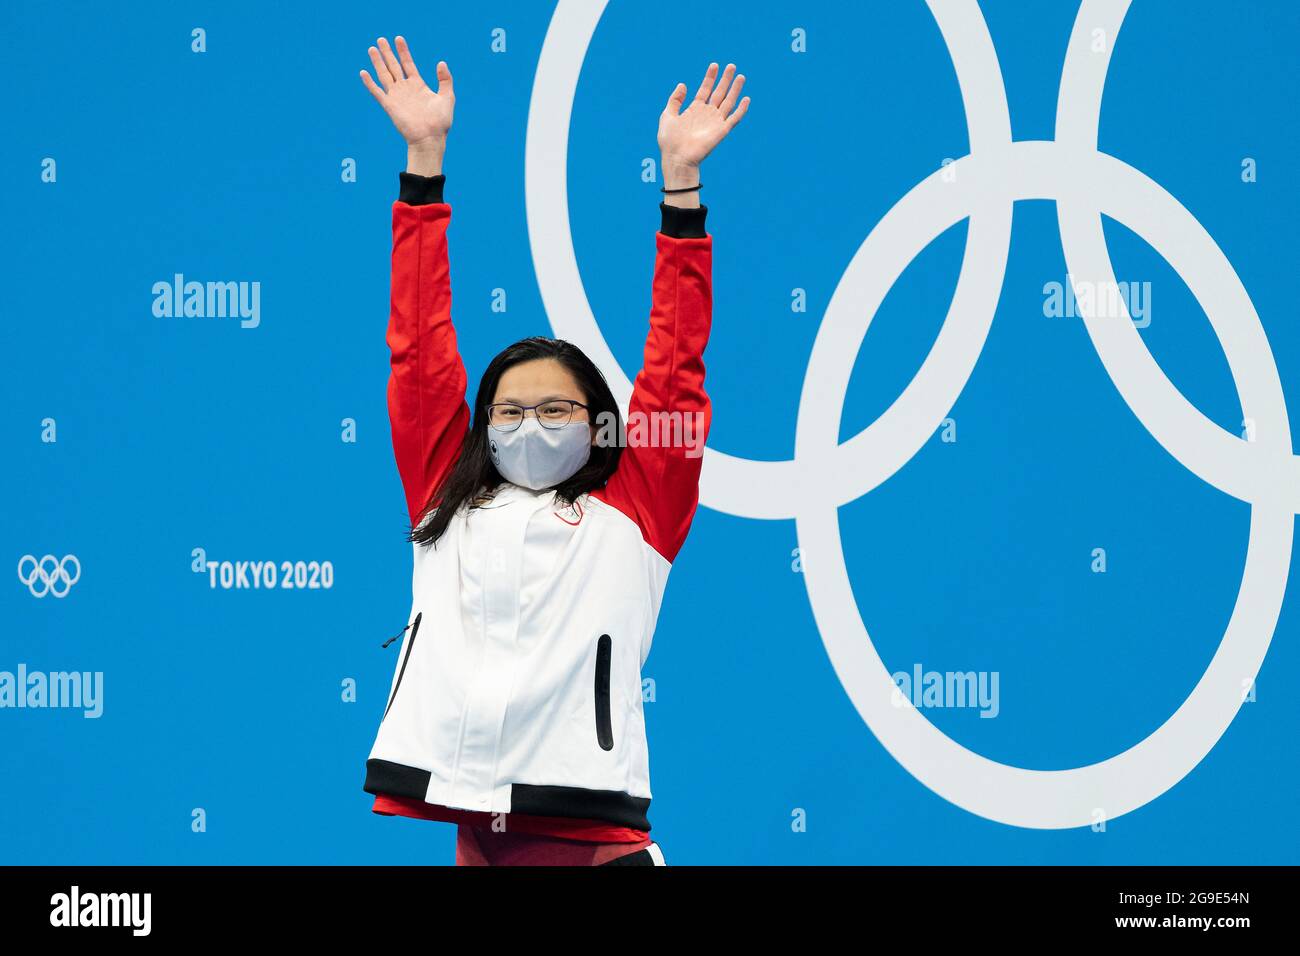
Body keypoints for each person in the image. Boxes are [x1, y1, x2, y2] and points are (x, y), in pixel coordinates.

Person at [357, 36, 749, 866]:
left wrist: (682, 191)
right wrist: (422, 164)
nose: (531, 423)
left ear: (600, 423)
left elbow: (674, 370)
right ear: (481, 422)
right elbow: (418, 352)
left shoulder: (640, 508)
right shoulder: (443, 499)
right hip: (475, 836)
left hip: (598, 839)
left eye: (556, 408)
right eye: (510, 408)